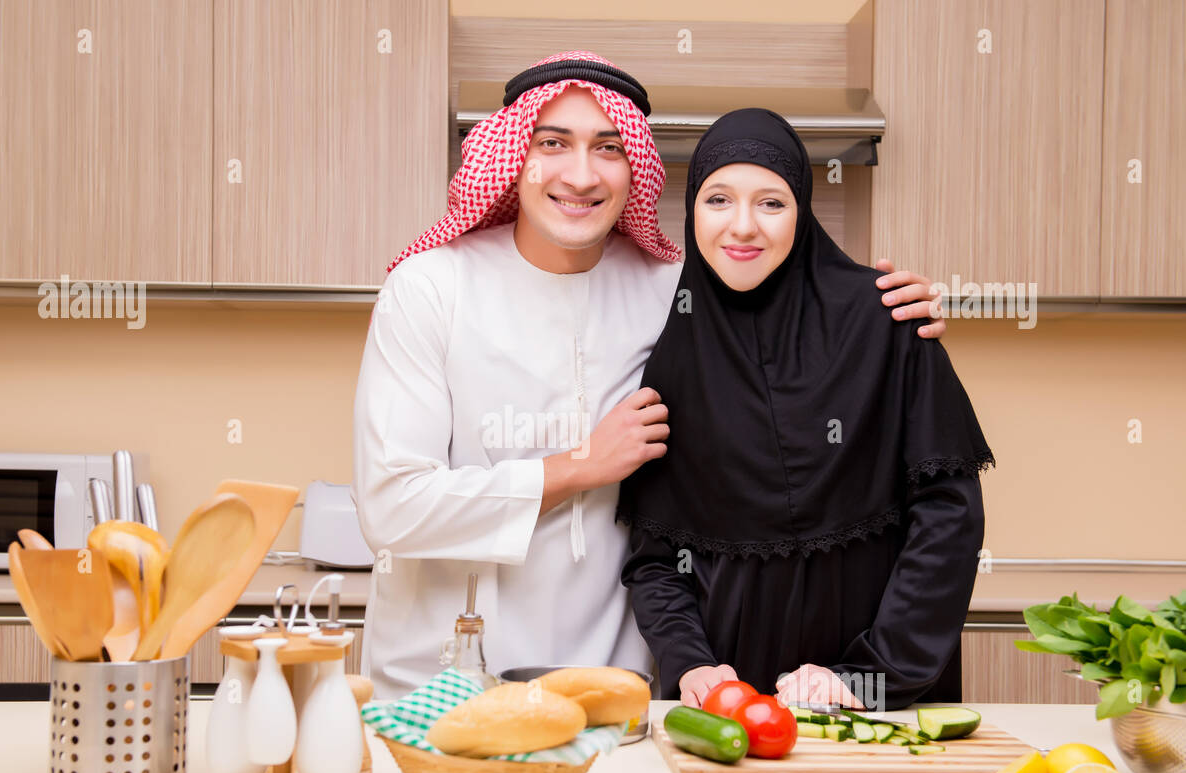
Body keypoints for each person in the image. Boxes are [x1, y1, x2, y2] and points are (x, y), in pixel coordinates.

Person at [353, 52, 947, 699]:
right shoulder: (429, 290)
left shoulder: (674, 292)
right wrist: (580, 464)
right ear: (514, 153)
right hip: (439, 684)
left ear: (633, 165)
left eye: (608, 148)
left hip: (613, 688)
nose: (580, 175)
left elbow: (797, 328)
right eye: (554, 143)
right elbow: (391, 505)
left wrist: (883, 308)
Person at [617, 108, 994, 712]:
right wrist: (691, 664)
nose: (742, 227)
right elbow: (656, 557)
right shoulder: (674, 352)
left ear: (803, 212)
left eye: (771, 202)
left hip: (880, 692)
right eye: (718, 200)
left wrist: (870, 674)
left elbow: (948, 516)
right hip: (730, 704)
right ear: (690, 211)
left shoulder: (889, 323)